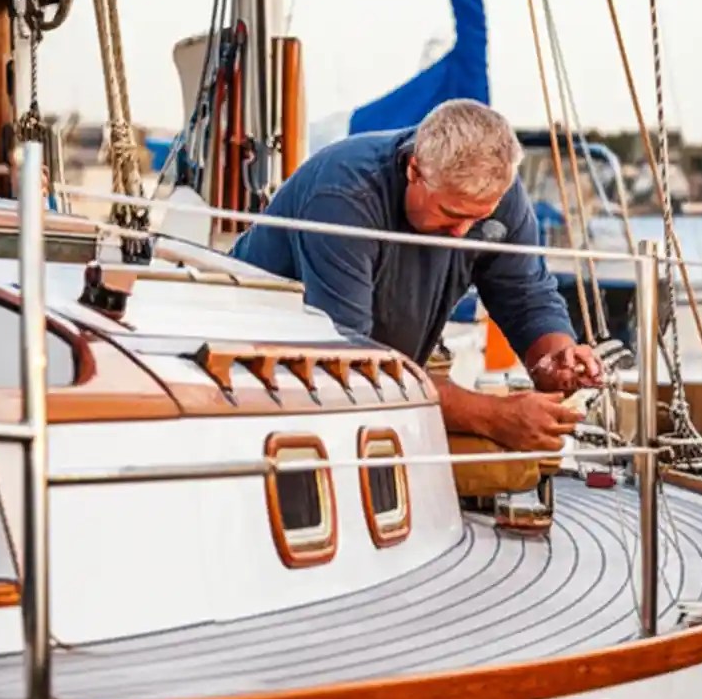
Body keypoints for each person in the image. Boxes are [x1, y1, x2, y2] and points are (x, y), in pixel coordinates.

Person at [230, 99, 601, 451]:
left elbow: (528, 299)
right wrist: (493, 417)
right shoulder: (343, 196)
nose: (463, 232)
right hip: (254, 391)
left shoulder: (498, 195)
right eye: (451, 214)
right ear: (413, 170)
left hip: (372, 390)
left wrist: (555, 361)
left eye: (479, 218)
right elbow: (350, 365)